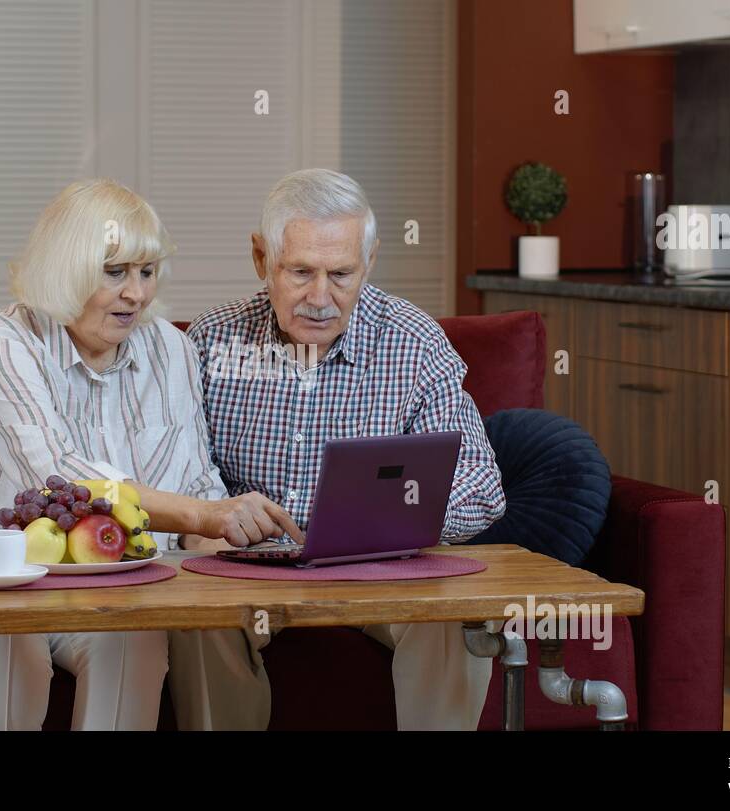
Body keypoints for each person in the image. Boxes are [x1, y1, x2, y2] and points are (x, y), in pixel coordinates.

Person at [0, 179, 302, 730]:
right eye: (114, 272)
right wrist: (201, 514)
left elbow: (196, 484)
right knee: (8, 650)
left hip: (101, 582)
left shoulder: (171, 349)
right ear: (64, 269)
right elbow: (57, 478)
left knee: (135, 639)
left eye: (146, 272)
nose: (136, 294)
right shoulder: (0, 343)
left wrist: (239, 536)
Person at [168, 168, 507, 730]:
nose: (320, 298)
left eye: (341, 274)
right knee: (195, 615)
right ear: (261, 259)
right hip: (245, 572)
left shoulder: (413, 342)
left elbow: (480, 488)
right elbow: (179, 474)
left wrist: (386, 518)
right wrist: (206, 520)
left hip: (378, 574)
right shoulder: (212, 340)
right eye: (300, 272)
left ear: (368, 264)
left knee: (452, 615)